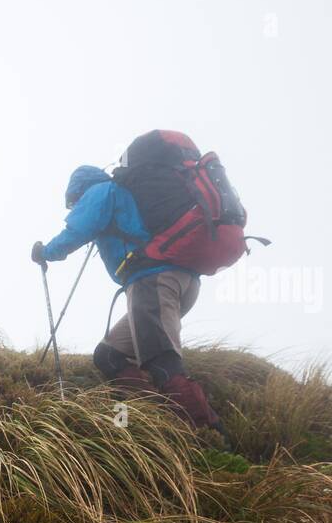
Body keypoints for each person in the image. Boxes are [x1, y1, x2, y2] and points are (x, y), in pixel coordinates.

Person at [31, 165, 222, 432]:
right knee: (109, 355)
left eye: (74, 202)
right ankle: (156, 419)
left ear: (78, 190)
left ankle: (210, 438)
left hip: (153, 281)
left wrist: (45, 252)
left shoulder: (100, 191)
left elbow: (77, 231)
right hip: (179, 282)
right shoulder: (121, 194)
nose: (75, 207)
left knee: (162, 363)